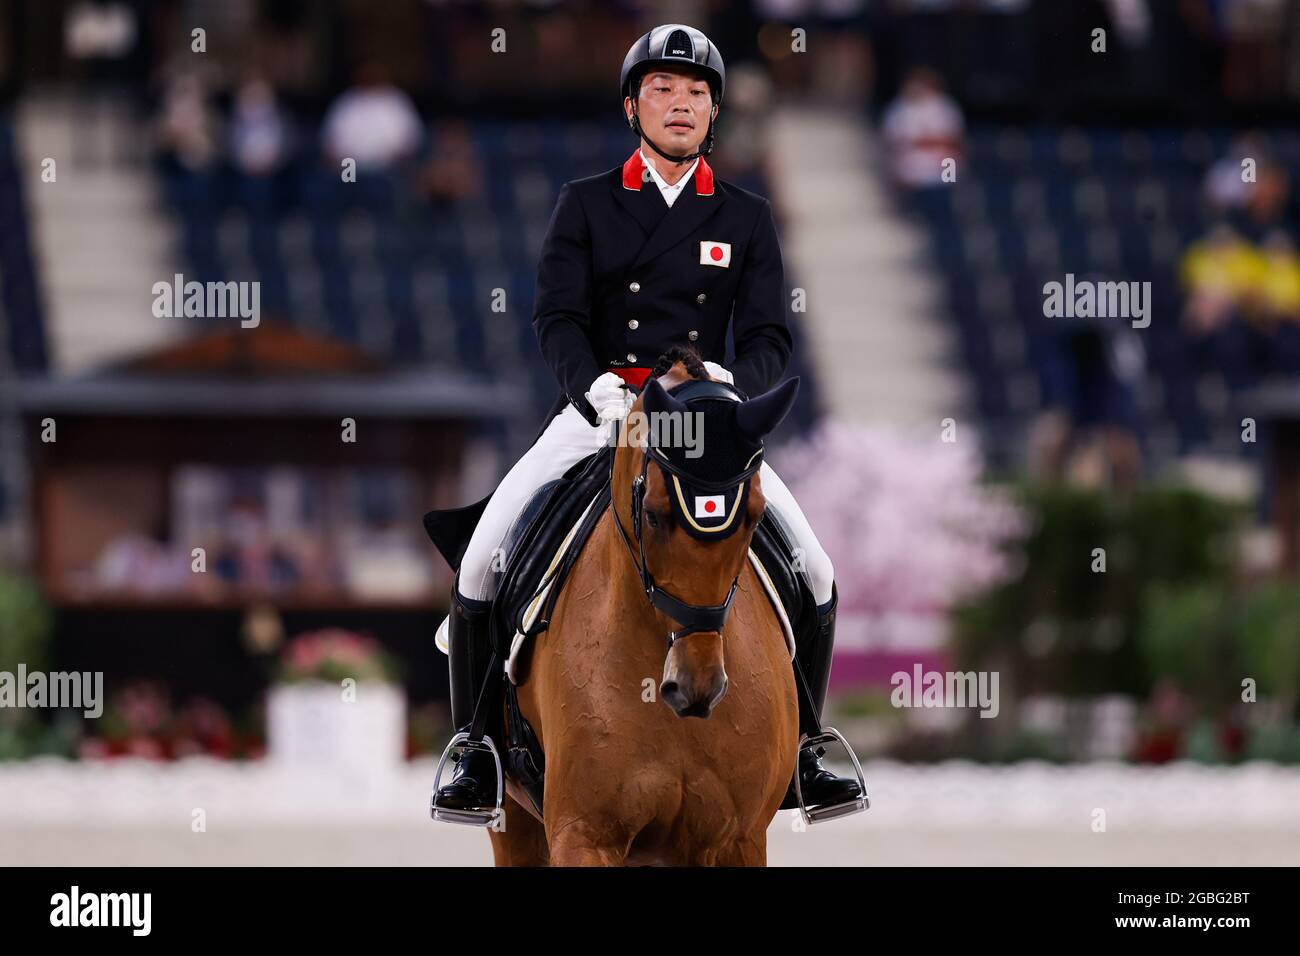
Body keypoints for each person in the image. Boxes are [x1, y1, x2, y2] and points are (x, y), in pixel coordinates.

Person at [434, 24, 861, 818]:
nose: (681, 104)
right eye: (664, 90)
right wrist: (596, 388)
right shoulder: (588, 203)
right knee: (482, 560)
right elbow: (557, 318)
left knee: (816, 570)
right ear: (633, 105)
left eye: (697, 93)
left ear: (714, 113)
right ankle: (474, 751)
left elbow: (769, 335)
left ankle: (807, 751)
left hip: (706, 418)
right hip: (605, 414)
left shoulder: (745, 216)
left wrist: (730, 392)